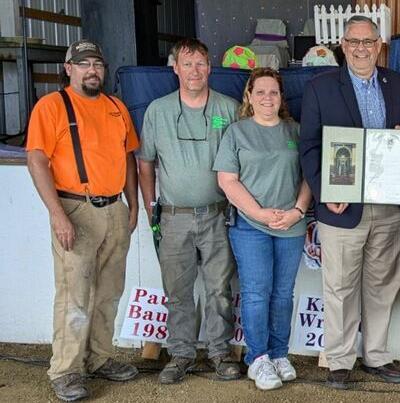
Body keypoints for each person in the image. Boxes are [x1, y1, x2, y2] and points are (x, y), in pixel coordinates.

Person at [299, 15, 400, 389]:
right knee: (339, 286)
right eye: (353, 42)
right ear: (342, 44)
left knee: (382, 284)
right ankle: (339, 360)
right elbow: (309, 146)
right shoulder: (321, 87)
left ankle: (376, 356)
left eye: (368, 42)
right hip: (341, 206)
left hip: (386, 203)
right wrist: (326, 191)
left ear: (379, 44)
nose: (360, 49)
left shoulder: (398, 84)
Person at [26, 39, 140, 401]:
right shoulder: (51, 106)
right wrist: (57, 214)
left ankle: (100, 358)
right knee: (73, 296)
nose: (92, 70)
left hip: (115, 211)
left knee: (109, 292)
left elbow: (129, 159)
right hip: (75, 209)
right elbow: (37, 161)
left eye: (98, 64)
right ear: (68, 68)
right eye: (84, 63)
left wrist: (132, 204)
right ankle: (66, 370)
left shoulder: (116, 107)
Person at [137, 38, 241, 384]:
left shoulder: (228, 108)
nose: (194, 71)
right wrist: (152, 206)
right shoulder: (157, 110)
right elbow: (146, 163)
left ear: (210, 68)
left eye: (200, 64)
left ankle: (219, 352)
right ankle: (181, 353)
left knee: (219, 289)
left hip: (218, 215)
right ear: (175, 68)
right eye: (187, 64)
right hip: (173, 216)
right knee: (178, 291)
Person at [214, 68, 312, 390]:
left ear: (282, 97)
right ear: (249, 97)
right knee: (257, 294)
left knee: (283, 294)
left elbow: (307, 177)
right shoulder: (236, 132)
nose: (267, 98)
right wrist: (258, 212)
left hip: (290, 225)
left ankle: (280, 353)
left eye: (273, 92)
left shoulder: (296, 131)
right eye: (261, 92)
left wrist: (297, 211)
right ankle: (258, 358)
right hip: (250, 225)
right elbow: (227, 180)